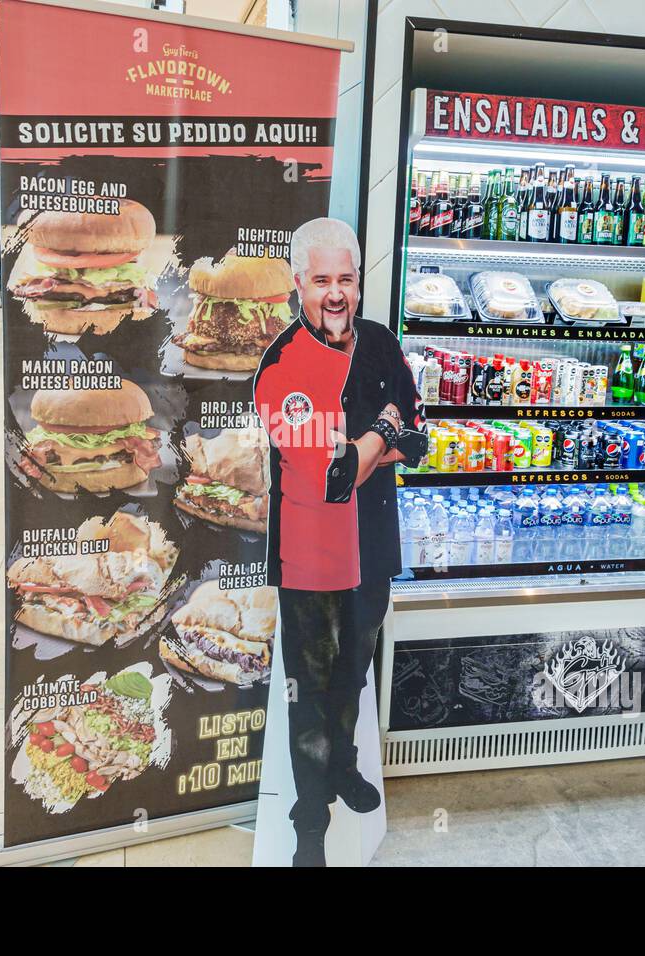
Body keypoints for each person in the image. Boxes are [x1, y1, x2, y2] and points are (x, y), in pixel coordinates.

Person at [253, 218, 425, 867]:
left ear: (358, 283)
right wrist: (381, 433)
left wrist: (371, 443)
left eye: (345, 279)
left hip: (371, 546)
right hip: (308, 557)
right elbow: (330, 476)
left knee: (354, 674)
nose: (334, 293)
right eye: (321, 279)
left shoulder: (382, 343)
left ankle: (346, 767)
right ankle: (309, 821)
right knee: (310, 691)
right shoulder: (281, 367)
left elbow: (419, 436)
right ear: (299, 284)